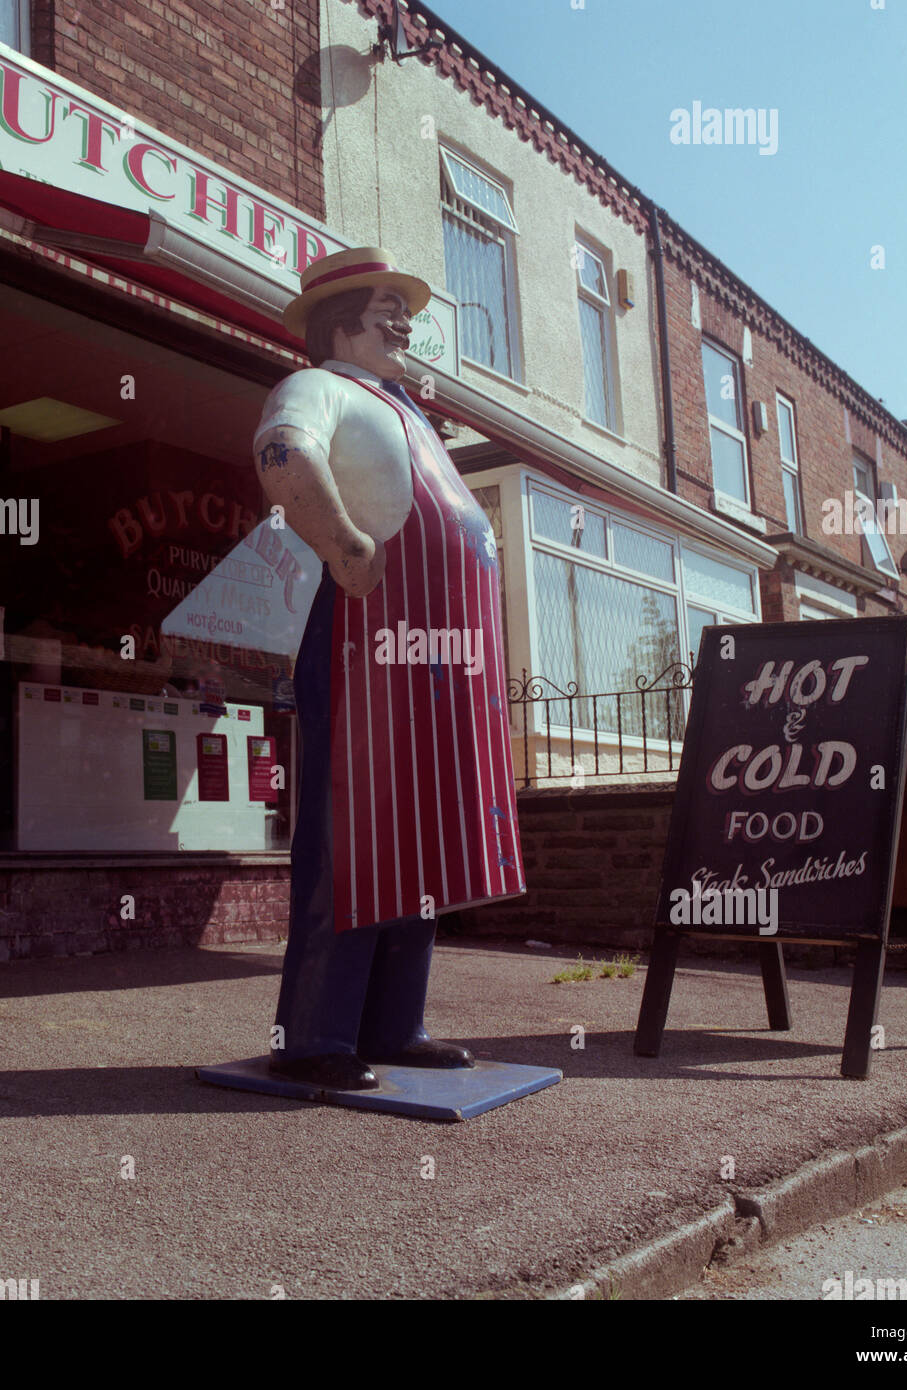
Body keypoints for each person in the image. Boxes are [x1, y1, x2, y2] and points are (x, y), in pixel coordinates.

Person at [253, 247, 524, 1090]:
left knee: (426, 834)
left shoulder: (407, 410)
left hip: (438, 660)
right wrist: (341, 545)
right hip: (362, 639)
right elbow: (281, 453)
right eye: (384, 310)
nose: (404, 322)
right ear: (340, 327)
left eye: (403, 310)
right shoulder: (321, 388)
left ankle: (393, 1024)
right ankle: (315, 1036)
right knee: (354, 826)